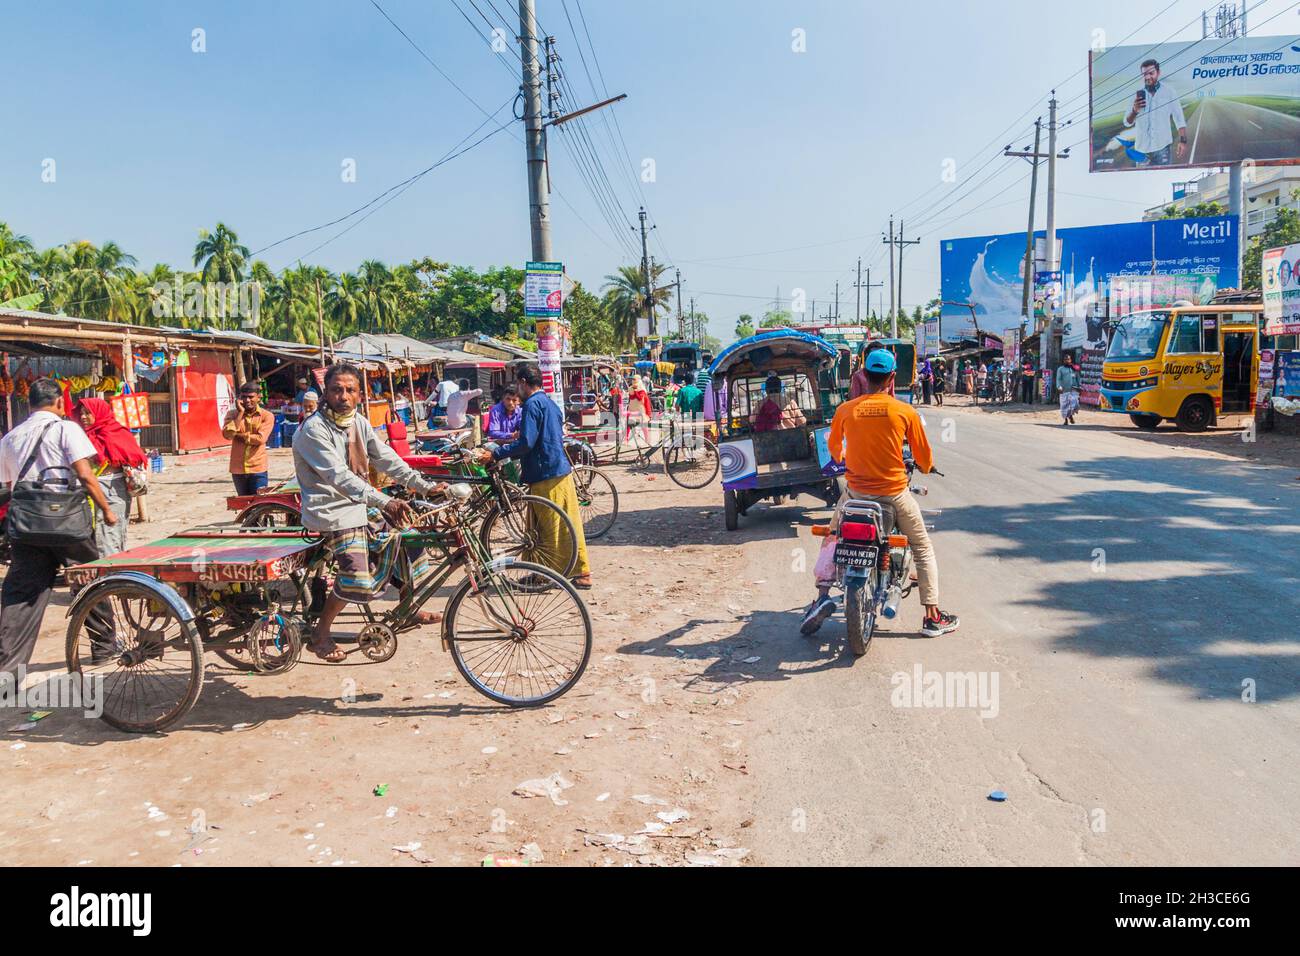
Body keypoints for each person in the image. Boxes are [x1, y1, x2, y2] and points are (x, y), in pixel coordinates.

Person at [292, 363, 445, 663]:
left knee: (409, 538)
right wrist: (384, 502)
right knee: (357, 577)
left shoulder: (357, 422)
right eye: (337, 390)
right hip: (331, 510)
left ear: (360, 395)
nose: (343, 396)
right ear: (326, 393)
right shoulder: (313, 430)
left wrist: (424, 486)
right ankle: (321, 633)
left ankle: (407, 607)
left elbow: (386, 458)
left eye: (350, 390)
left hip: (359, 505)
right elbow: (340, 478)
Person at [802, 350, 959, 639]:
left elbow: (835, 451)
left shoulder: (845, 410)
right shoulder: (905, 412)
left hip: (855, 493)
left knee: (833, 537)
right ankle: (932, 617)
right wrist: (925, 466)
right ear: (891, 378)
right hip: (895, 494)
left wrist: (849, 455)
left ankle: (821, 596)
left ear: (863, 375)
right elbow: (923, 458)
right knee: (922, 548)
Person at [0, 379, 117, 672]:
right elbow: (86, 475)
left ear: (29, 404)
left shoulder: (11, 437)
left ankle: (9, 670)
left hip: (26, 524)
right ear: (60, 403)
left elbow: (10, 484)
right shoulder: (66, 428)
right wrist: (106, 509)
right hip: (65, 518)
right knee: (89, 580)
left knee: (21, 595)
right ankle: (104, 647)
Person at [473, 367, 592, 589]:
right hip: (557, 470)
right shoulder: (550, 403)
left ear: (524, 382)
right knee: (556, 524)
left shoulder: (531, 405)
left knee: (550, 527)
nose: (517, 390)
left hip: (546, 472)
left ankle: (559, 573)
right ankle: (549, 573)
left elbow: (527, 441)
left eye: (518, 385)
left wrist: (496, 454)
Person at [73, 397, 147, 558]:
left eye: (88, 413)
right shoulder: (80, 436)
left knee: (110, 535)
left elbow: (133, 455)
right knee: (93, 537)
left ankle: (111, 575)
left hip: (113, 489)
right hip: (86, 490)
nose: (83, 417)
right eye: (81, 414)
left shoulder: (115, 432)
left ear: (99, 413)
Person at [1123, 58, 1187, 167]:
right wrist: (1134, 111)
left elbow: (1179, 118)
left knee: (1165, 177)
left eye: (1151, 73)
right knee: (1142, 181)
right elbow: (1127, 122)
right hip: (1142, 151)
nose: (1147, 77)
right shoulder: (1135, 95)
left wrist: (1183, 141)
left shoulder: (1169, 92)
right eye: (1144, 74)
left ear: (1158, 73)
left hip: (1163, 148)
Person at [222, 382, 276, 495]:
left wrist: (239, 435)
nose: (247, 400)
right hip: (238, 469)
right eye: (244, 397)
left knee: (260, 503)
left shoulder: (267, 416)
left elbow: (261, 439)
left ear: (258, 397)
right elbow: (228, 435)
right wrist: (240, 413)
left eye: (251, 397)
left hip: (258, 468)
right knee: (244, 504)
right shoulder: (232, 414)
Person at [1057, 352, 1080, 426]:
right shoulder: (1060, 369)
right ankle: (1066, 419)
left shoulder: (1074, 368)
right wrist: (1059, 387)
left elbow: (1077, 378)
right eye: (1065, 359)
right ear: (1063, 361)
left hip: (1073, 390)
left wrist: (1079, 387)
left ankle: (1070, 416)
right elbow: (1058, 379)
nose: (1067, 361)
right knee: (1064, 406)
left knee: (1074, 404)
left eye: (1068, 359)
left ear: (1071, 360)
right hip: (1064, 391)